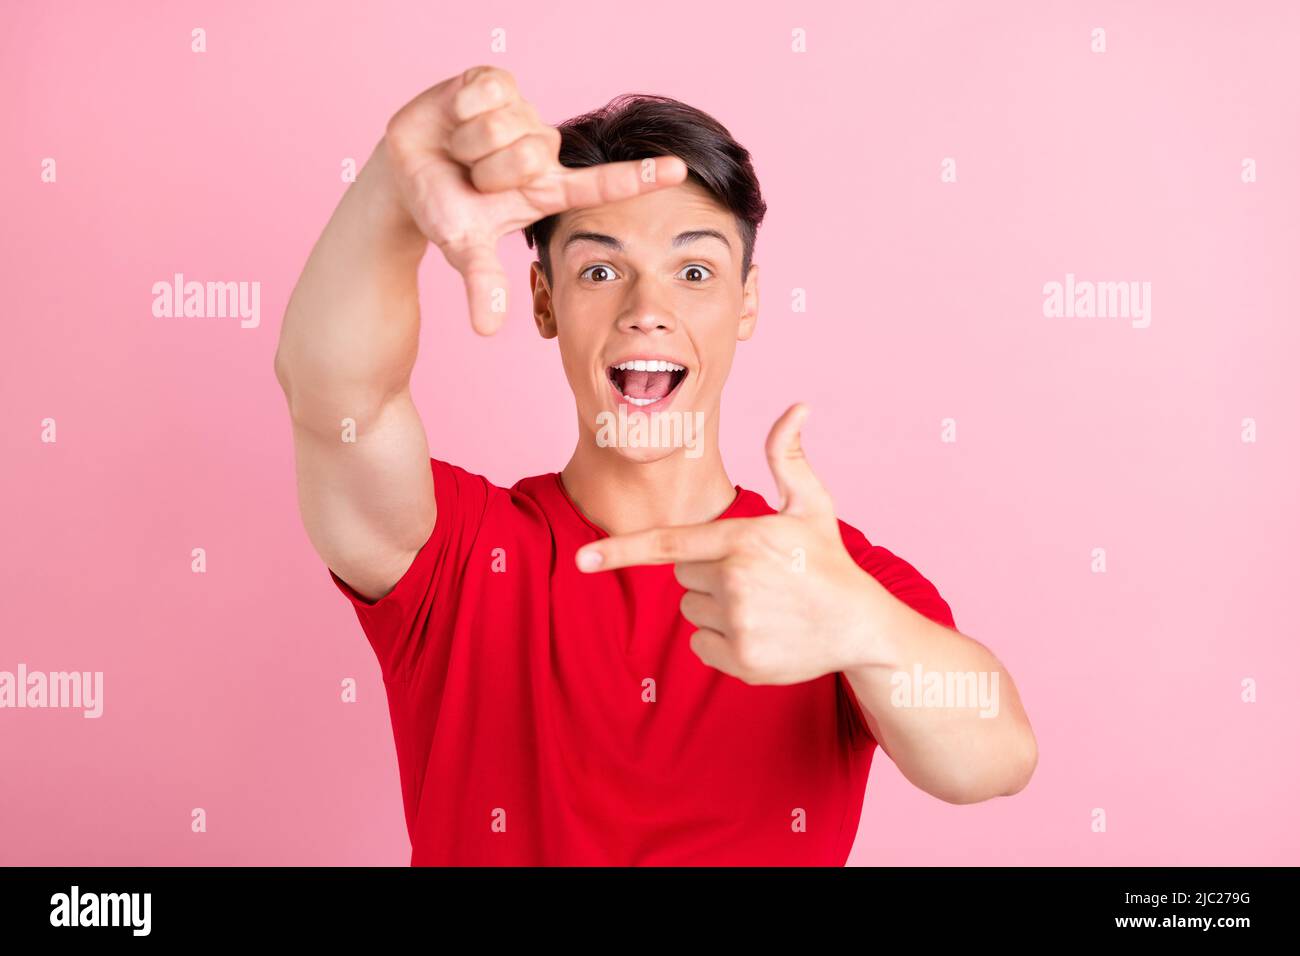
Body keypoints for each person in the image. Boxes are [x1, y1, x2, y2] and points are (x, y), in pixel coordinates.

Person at [273, 65, 1037, 866]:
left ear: (746, 303)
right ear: (544, 300)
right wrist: (393, 190)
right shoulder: (455, 556)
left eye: (695, 272)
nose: (646, 310)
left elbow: (995, 761)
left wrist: (864, 626)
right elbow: (332, 399)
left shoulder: (822, 579)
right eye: (600, 271)